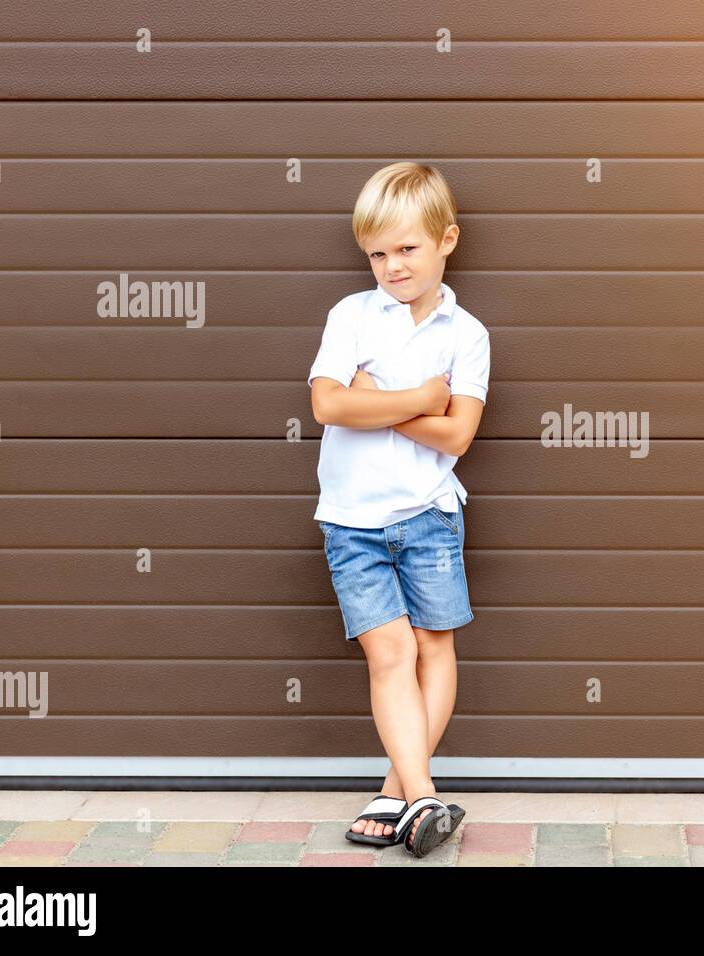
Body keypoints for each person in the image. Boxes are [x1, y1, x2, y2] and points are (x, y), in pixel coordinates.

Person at [307, 162, 490, 857]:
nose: (392, 265)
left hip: (428, 517)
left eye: (407, 249)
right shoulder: (351, 316)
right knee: (390, 653)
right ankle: (423, 798)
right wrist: (419, 398)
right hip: (351, 521)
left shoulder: (465, 335)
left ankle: (397, 790)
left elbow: (457, 435)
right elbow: (328, 404)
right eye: (378, 253)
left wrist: (379, 398)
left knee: (433, 647)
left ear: (446, 240)